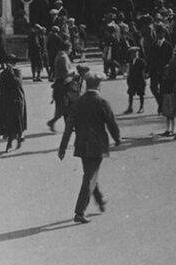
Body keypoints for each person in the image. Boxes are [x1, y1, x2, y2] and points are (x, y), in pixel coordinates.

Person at [57, 73, 121, 224]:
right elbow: (111, 123)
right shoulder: (102, 102)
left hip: (81, 144)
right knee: (90, 176)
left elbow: (68, 126)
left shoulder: (78, 102)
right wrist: (117, 138)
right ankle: (80, 211)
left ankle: (99, 200)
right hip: (97, 145)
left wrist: (63, 147)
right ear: (99, 85)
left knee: (89, 173)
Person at [0, 58, 27, 152]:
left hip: (17, 100)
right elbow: (0, 87)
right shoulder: (3, 74)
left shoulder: (17, 72)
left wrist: (11, 72)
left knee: (16, 122)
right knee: (8, 123)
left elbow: (17, 83)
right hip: (6, 101)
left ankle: (12, 142)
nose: (9, 65)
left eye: (11, 63)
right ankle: (16, 139)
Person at [124, 45, 147, 114]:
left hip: (140, 80)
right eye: (132, 53)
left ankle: (141, 107)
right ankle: (130, 107)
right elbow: (130, 71)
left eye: (135, 53)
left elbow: (142, 71)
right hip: (132, 80)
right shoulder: (131, 62)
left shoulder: (141, 61)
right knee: (130, 93)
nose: (134, 55)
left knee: (141, 94)